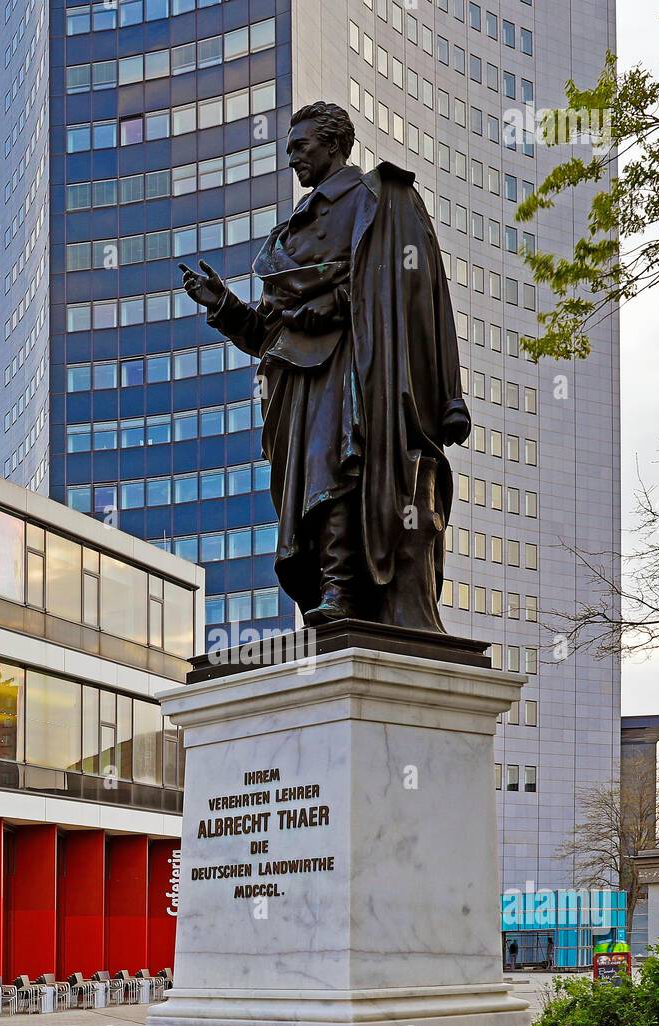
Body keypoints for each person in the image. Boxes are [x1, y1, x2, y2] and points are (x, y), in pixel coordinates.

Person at [181, 100, 470, 630]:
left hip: (357, 365)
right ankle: (333, 588)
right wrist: (223, 306)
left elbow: (417, 291)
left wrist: (340, 304)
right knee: (313, 479)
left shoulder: (379, 198)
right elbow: (269, 330)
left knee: (336, 468)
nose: (292, 158)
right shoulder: (292, 232)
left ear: (334, 144)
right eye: (289, 148)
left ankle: (342, 588)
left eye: (300, 146)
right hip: (297, 379)